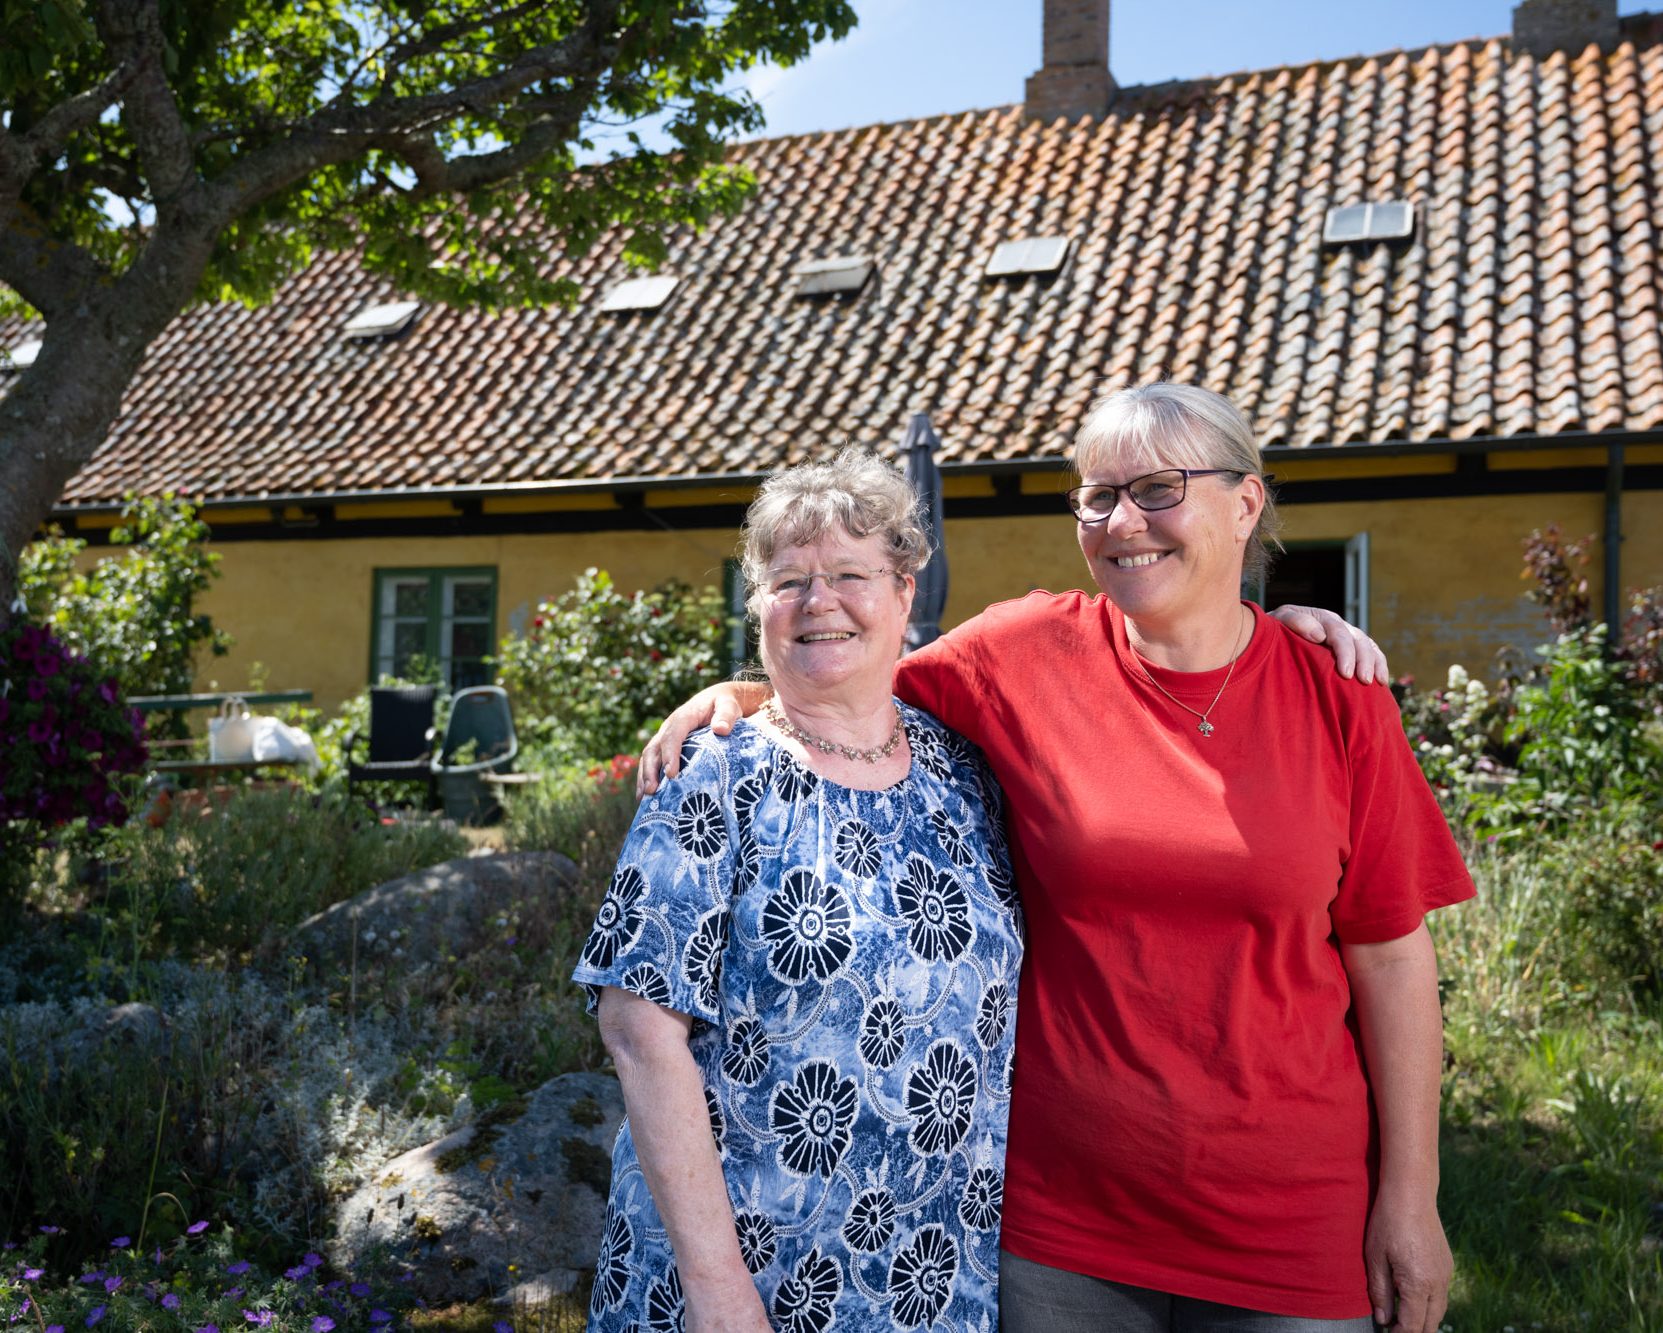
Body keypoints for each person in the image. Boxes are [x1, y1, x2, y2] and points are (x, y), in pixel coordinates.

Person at [640, 384, 1474, 1333]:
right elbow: (851, 677)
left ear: (1246, 504)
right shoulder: (1023, 651)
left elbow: (1393, 958)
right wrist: (738, 695)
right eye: (1097, 495)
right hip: (1062, 1227)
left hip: (1289, 1224)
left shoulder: (1337, 696)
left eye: (1159, 489)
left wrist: (1411, 1197)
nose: (1124, 522)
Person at [573, 452, 1026, 1333]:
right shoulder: (715, 775)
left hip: (934, 1277)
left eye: (850, 574)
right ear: (758, 610)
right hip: (749, 1282)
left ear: (904, 593)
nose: (820, 601)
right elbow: (639, 1029)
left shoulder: (965, 768)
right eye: (789, 582)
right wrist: (717, 1291)